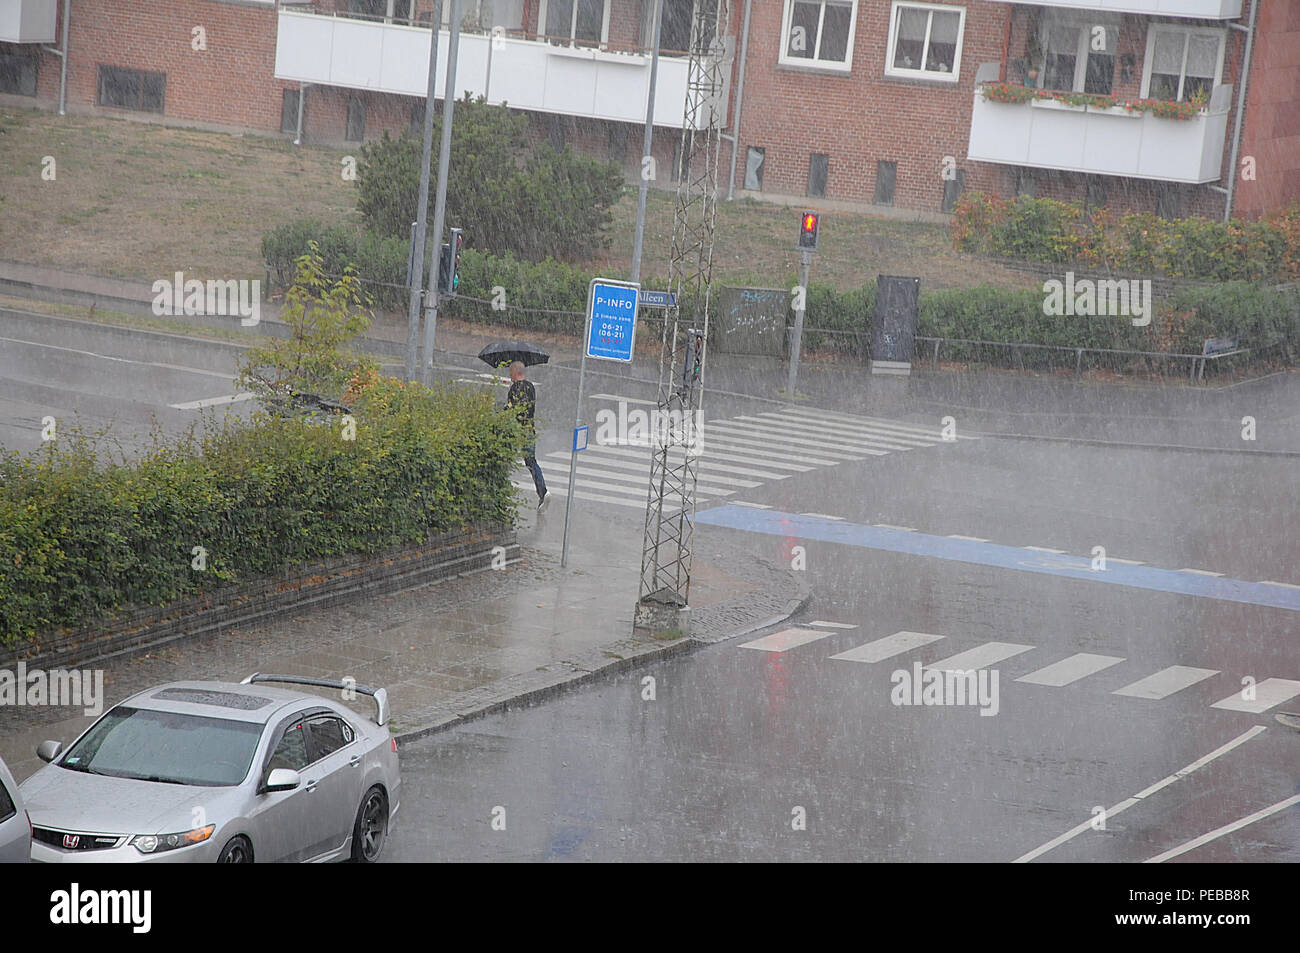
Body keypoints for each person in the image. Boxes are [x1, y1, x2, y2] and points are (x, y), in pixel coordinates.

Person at [506, 361, 548, 511]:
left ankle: (501, 490)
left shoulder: (515, 388)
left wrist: (510, 394)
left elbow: (512, 409)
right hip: (529, 429)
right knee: (531, 461)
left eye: (510, 372)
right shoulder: (531, 387)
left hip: (517, 430)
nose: (509, 376)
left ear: (515, 372)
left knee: (504, 457)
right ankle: (543, 492)